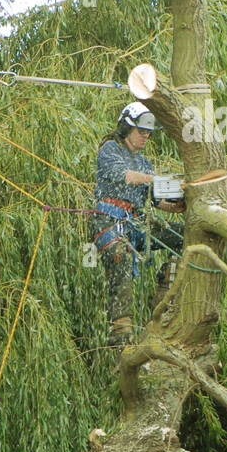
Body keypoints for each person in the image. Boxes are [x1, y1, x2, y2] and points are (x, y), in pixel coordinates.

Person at [92, 102, 185, 348]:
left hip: (136, 223)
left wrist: (180, 202)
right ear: (126, 128)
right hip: (108, 221)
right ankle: (121, 330)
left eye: (148, 133)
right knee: (120, 257)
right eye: (140, 131)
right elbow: (125, 176)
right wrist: (159, 179)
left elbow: (157, 201)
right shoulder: (110, 149)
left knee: (183, 236)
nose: (145, 136)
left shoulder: (145, 163)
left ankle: (165, 295)